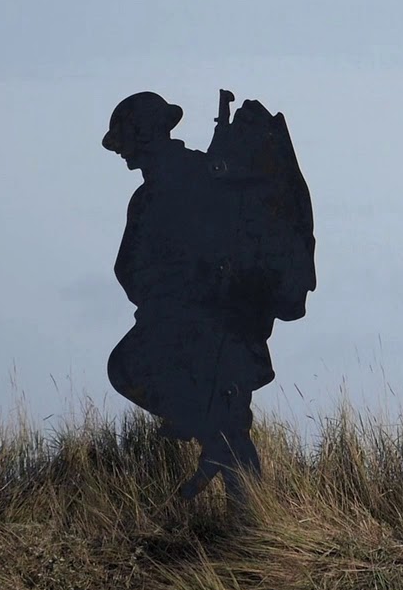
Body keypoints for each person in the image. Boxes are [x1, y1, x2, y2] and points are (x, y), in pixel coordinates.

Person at [102, 90, 315, 504]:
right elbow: (131, 268)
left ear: (144, 136)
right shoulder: (156, 193)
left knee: (223, 426)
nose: (122, 152)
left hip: (219, 326)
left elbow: (234, 250)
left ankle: (253, 527)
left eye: (126, 141)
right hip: (182, 325)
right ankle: (236, 492)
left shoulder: (207, 178)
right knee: (218, 425)